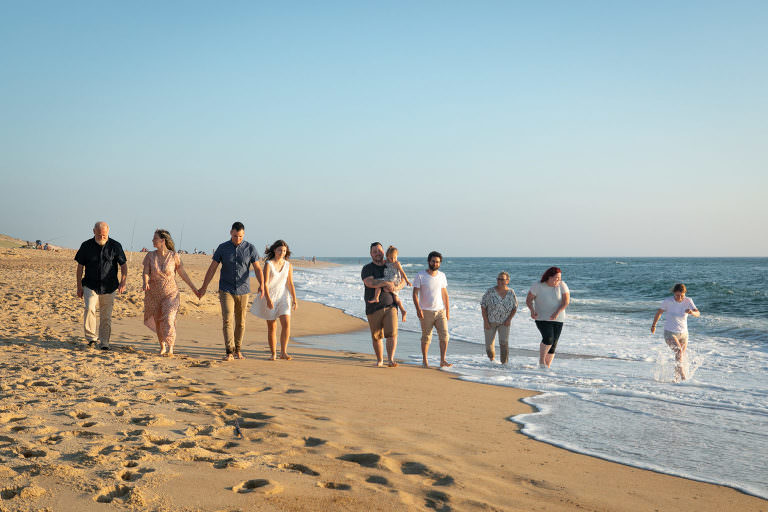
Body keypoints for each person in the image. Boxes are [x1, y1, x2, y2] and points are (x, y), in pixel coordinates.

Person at [198, 222, 264, 361]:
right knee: (228, 319)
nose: (237, 239)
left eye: (240, 236)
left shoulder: (250, 248)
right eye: (235, 236)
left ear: (244, 234)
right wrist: (204, 286)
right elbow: (212, 268)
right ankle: (229, 351)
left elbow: (257, 268)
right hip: (226, 289)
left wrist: (262, 284)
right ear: (230, 233)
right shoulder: (222, 248)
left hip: (243, 290)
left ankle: (238, 350)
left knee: (241, 322)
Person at [142, 229, 200, 357]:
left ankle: (171, 347)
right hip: (153, 293)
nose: (152, 240)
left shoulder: (174, 256)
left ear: (162, 240)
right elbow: (146, 271)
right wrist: (145, 282)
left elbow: (182, 273)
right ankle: (162, 346)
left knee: (169, 318)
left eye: (155, 238)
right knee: (158, 320)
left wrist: (194, 288)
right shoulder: (150, 256)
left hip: (171, 293)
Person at [74, 222, 127, 350]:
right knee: (89, 308)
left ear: (108, 232)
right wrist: (79, 286)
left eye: (104, 235)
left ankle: (104, 342)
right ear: (94, 231)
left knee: (106, 315)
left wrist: (123, 282)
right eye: (99, 234)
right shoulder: (86, 245)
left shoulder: (115, 245)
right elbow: (80, 267)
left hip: (110, 286)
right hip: (90, 285)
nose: (102, 237)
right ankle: (91, 339)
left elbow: (123, 266)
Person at [251, 240, 298, 360]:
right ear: (274, 250)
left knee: (286, 324)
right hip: (270, 296)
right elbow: (265, 283)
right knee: (272, 326)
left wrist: (294, 299)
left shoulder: (288, 265)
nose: (282, 253)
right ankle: (273, 353)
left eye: (284, 251)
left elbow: (290, 283)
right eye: (279, 250)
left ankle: (283, 352)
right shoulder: (269, 264)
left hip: (283, 296)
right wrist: (268, 299)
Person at [361, 242, 404, 367]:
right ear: (371, 254)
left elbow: (401, 280)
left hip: (391, 306)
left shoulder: (391, 264)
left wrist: (396, 286)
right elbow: (369, 282)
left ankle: (390, 360)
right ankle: (380, 360)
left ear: (383, 251)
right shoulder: (367, 268)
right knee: (377, 336)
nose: (378, 253)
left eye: (379, 251)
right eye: (375, 251)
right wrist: (386, 283)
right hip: (373, 308)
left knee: (392, 334)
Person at [651, 283, 700, 382]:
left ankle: (676, 379)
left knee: (680, 356)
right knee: (679, 352)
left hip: (684, 334)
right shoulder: (668, 301)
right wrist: (654, 325)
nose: (680, 297)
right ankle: (683, 376)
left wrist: (691, 312)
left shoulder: (688, 301)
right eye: (677, 295)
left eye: (682, 295)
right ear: (674, 293)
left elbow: (698, 313)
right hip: (670, 333)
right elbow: (659, 312)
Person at [412, 251, 451, 368]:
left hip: (440, 311)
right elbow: (414, 294)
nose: (435, 263)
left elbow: (445, 294)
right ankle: (425, 360)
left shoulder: (442, 276)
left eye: (438, 262)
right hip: (425, 311)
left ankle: (443, 360)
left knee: (445, 336)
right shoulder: (420, 275)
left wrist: (447, 311)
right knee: (426, 336)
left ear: (440, 263)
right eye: (433, 261)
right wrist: (418, 309)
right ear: (429, 261)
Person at [526, 267, 570, 368]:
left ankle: (547, 367)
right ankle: (541, 361)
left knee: (554, 344)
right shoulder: (538, 285)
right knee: (548, 339)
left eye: (560, 278)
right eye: (556, 278)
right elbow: (529, 300)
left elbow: (566, 301)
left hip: (558, 318)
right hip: (541, 317)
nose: (558, 280)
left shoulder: (562, 285)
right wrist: (532, 311)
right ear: (549, 277)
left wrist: (557, 313)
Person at [480, 271, 518, 364]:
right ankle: (492, 360)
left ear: (507, 281)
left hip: (505, 322)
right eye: (498, 279)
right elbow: (483, 306)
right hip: (490, 321)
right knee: (489, 346)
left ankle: (504, 364)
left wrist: (509, 319)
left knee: (504, 343)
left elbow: (515, 307)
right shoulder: (490, 291)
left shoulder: (511, 292)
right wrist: (485, 321)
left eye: (502, 279)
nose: (500, 281)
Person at [367, 246, 411, 322]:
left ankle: (376, 297)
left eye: (394, 257)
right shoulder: (386, 262)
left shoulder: (397, 263)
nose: (393, 259)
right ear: (387, 257)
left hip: (393, 280)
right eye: (391, 258)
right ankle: (403, 310)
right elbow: (379, 263)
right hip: (388, 279)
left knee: (381, 285)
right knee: (395, 297)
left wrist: (407, 281)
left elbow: (402, 273)